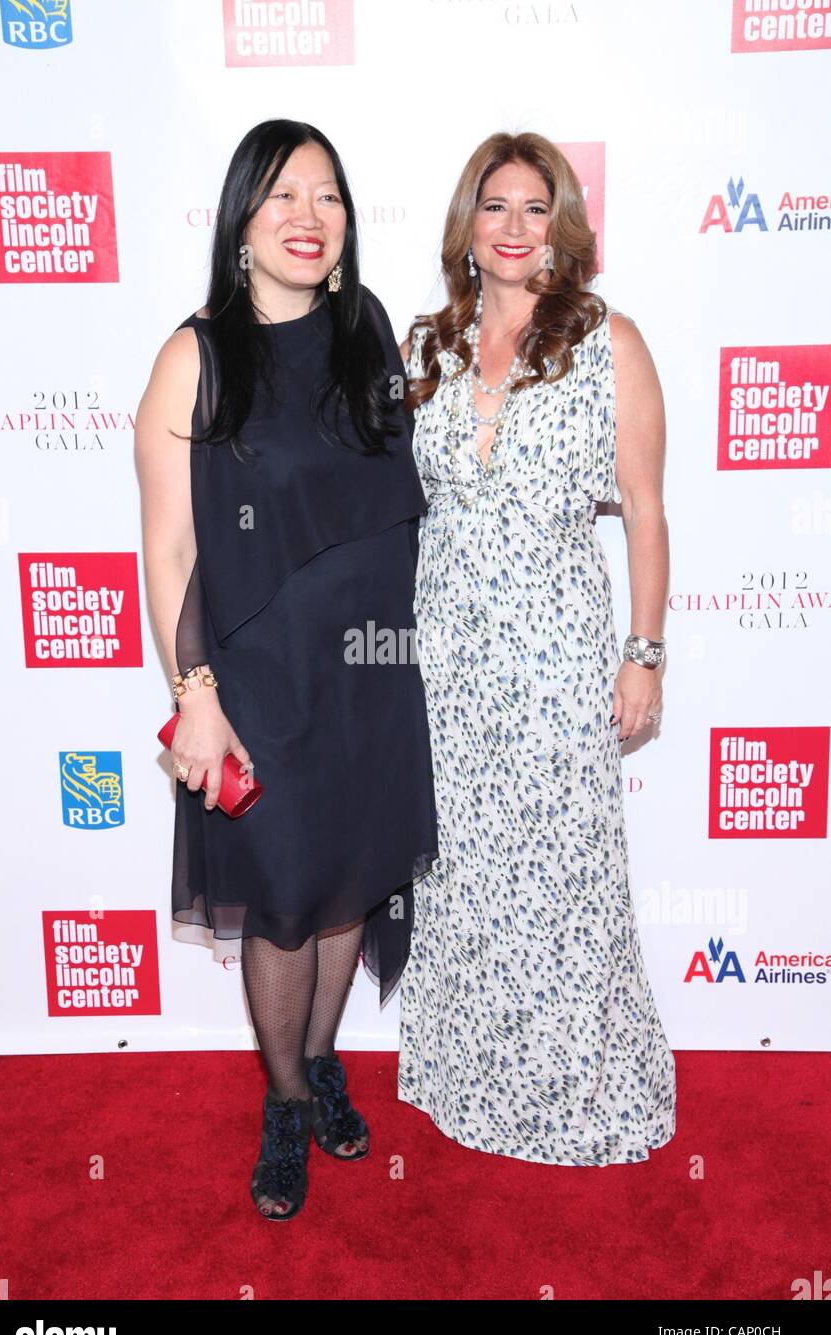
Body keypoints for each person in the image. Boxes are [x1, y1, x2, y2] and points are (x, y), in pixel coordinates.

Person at [135, 119, 438, 1219]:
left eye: (326, 196)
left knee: (348, 879)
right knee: (279, 903)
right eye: (280, 198)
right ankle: (280, 1102)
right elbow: (169, 552)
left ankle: (316, 1069)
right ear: (239, 225)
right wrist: (195, 701)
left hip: (371, 671)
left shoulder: (364, 330)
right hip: (255, 681)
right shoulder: (196, 355)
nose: (307, 217)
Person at [397, 131, 676, 1165]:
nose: (511, 227)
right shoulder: (425, 348)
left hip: (557, 648)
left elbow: (643, 512)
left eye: (532, 207)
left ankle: (580, 1083)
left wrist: (642, 653)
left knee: (565, 874)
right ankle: (467, 1071)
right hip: (449, 656)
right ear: (465, 226)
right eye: (492, 206)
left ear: (557, 228)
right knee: (464, 872)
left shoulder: (608, 342)